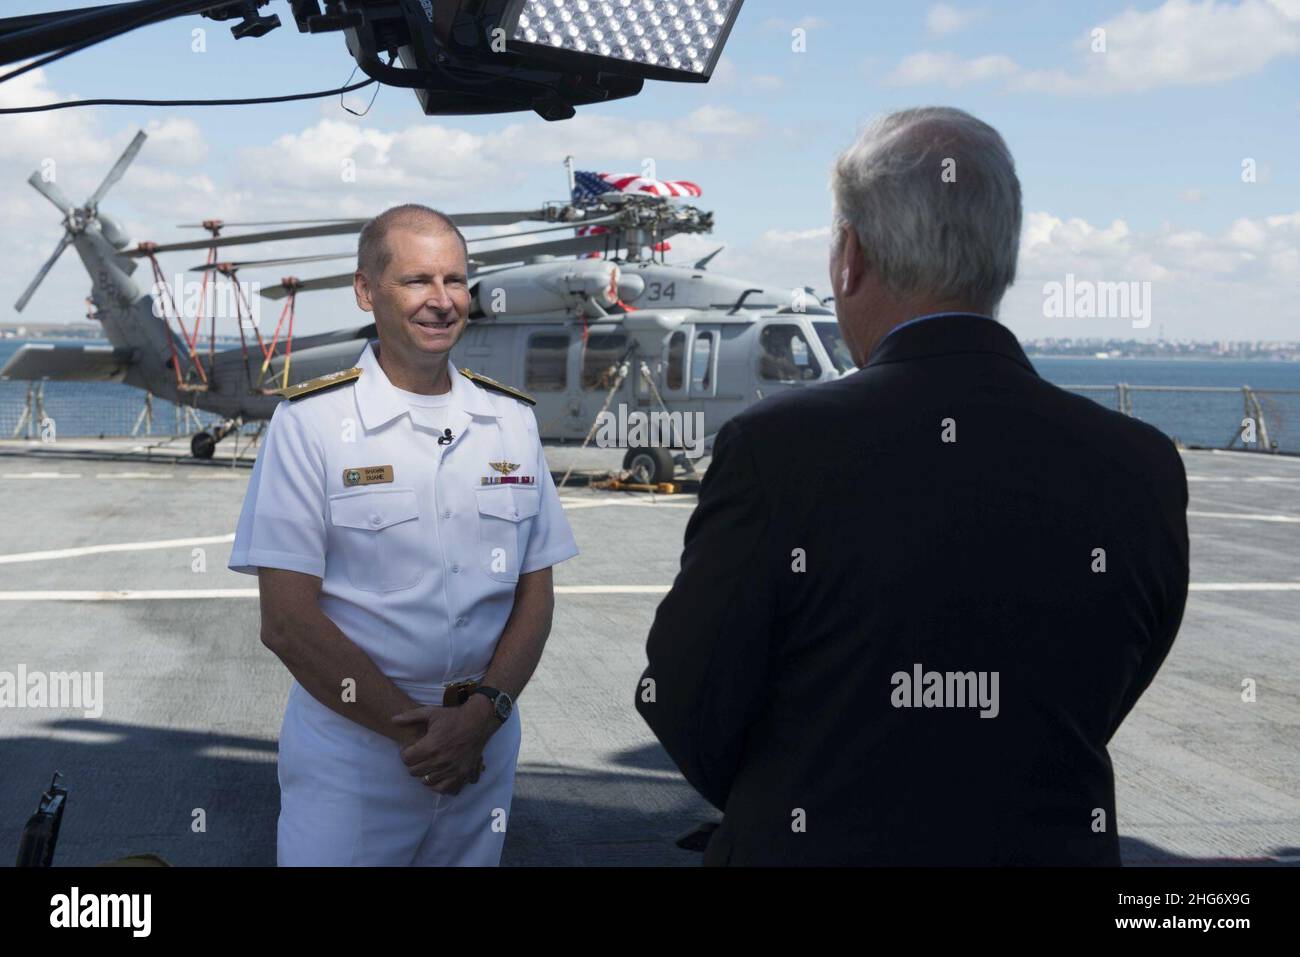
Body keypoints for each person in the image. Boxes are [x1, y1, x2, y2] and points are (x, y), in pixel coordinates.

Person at [635, 107, 1189, 866]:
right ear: (1004, 258)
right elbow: (1107, 687)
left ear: (849, 257)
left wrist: (793, 791)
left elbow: (682, 699)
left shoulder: (774, 450)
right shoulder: (1143, 464)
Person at [229, 204, 578, 866]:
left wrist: (480, 718)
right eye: (418, 280)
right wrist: (424, 735)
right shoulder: (310, 424)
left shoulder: (510, 422)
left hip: (482, 751)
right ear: (366, 291)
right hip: (356, 759)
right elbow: (287, 622)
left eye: (455, 280)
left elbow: (536, 595)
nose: (442, 301)